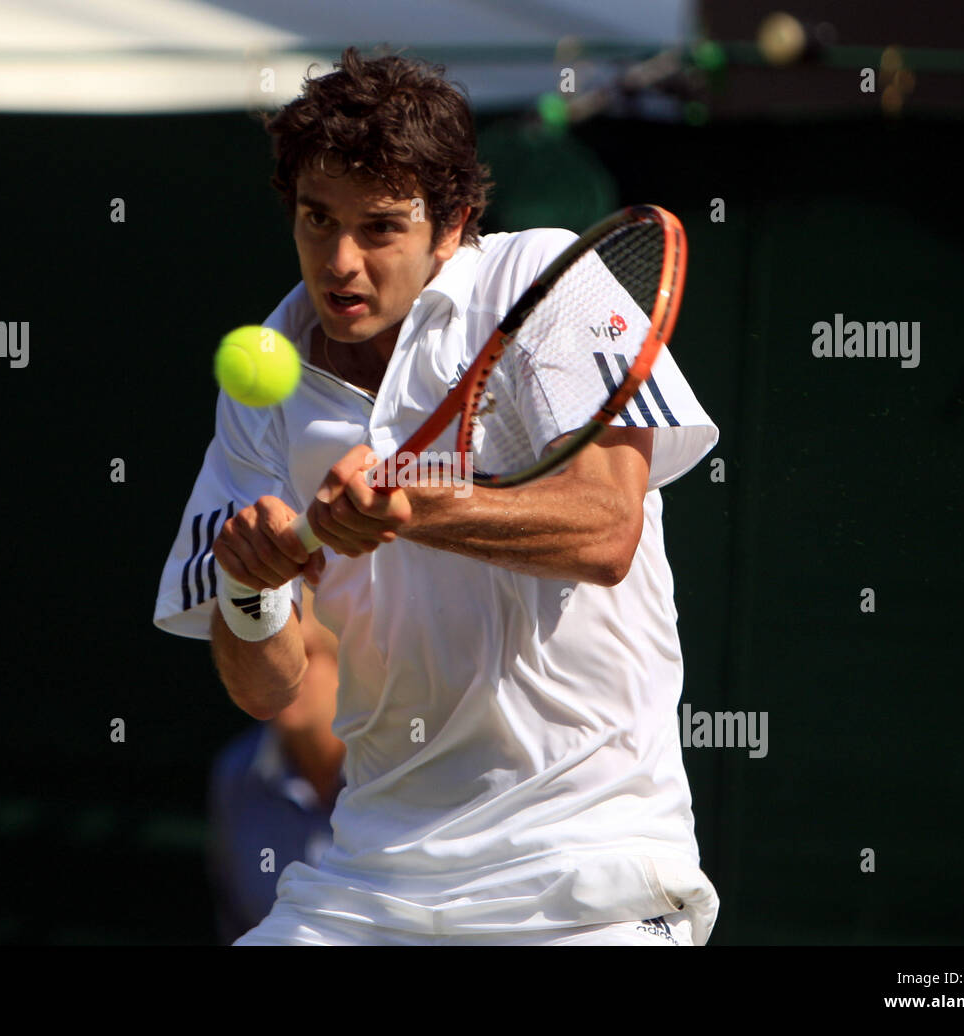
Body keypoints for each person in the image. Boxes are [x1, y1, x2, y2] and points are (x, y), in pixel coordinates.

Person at [154, 46, 721, 945]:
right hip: (369, 879)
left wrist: (418, 506)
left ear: (451, 224)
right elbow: (267, 689)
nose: (340, 262)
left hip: (587, 868)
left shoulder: (543, 281)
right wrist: (251, 588)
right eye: (316, 219)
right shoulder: (265, 376)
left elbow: (608, 526)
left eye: (379, 226)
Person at [205, 588, 344, 944]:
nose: (283, 675)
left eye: (306, 653)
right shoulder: (234, 775)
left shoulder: (401, 767)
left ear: (346, 661)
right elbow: (236, 920)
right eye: (266, 655)